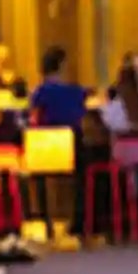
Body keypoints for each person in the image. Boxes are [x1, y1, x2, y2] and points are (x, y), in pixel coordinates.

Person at [29, 46, 90, 234]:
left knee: (38, 172)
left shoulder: (39, 92)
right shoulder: (75, 91)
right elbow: (81, 113)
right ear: (62, 65)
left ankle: (45, 219)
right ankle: (79, 220)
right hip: (70, 143)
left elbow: (34, 116)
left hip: (45, 146)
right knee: (83, 170)